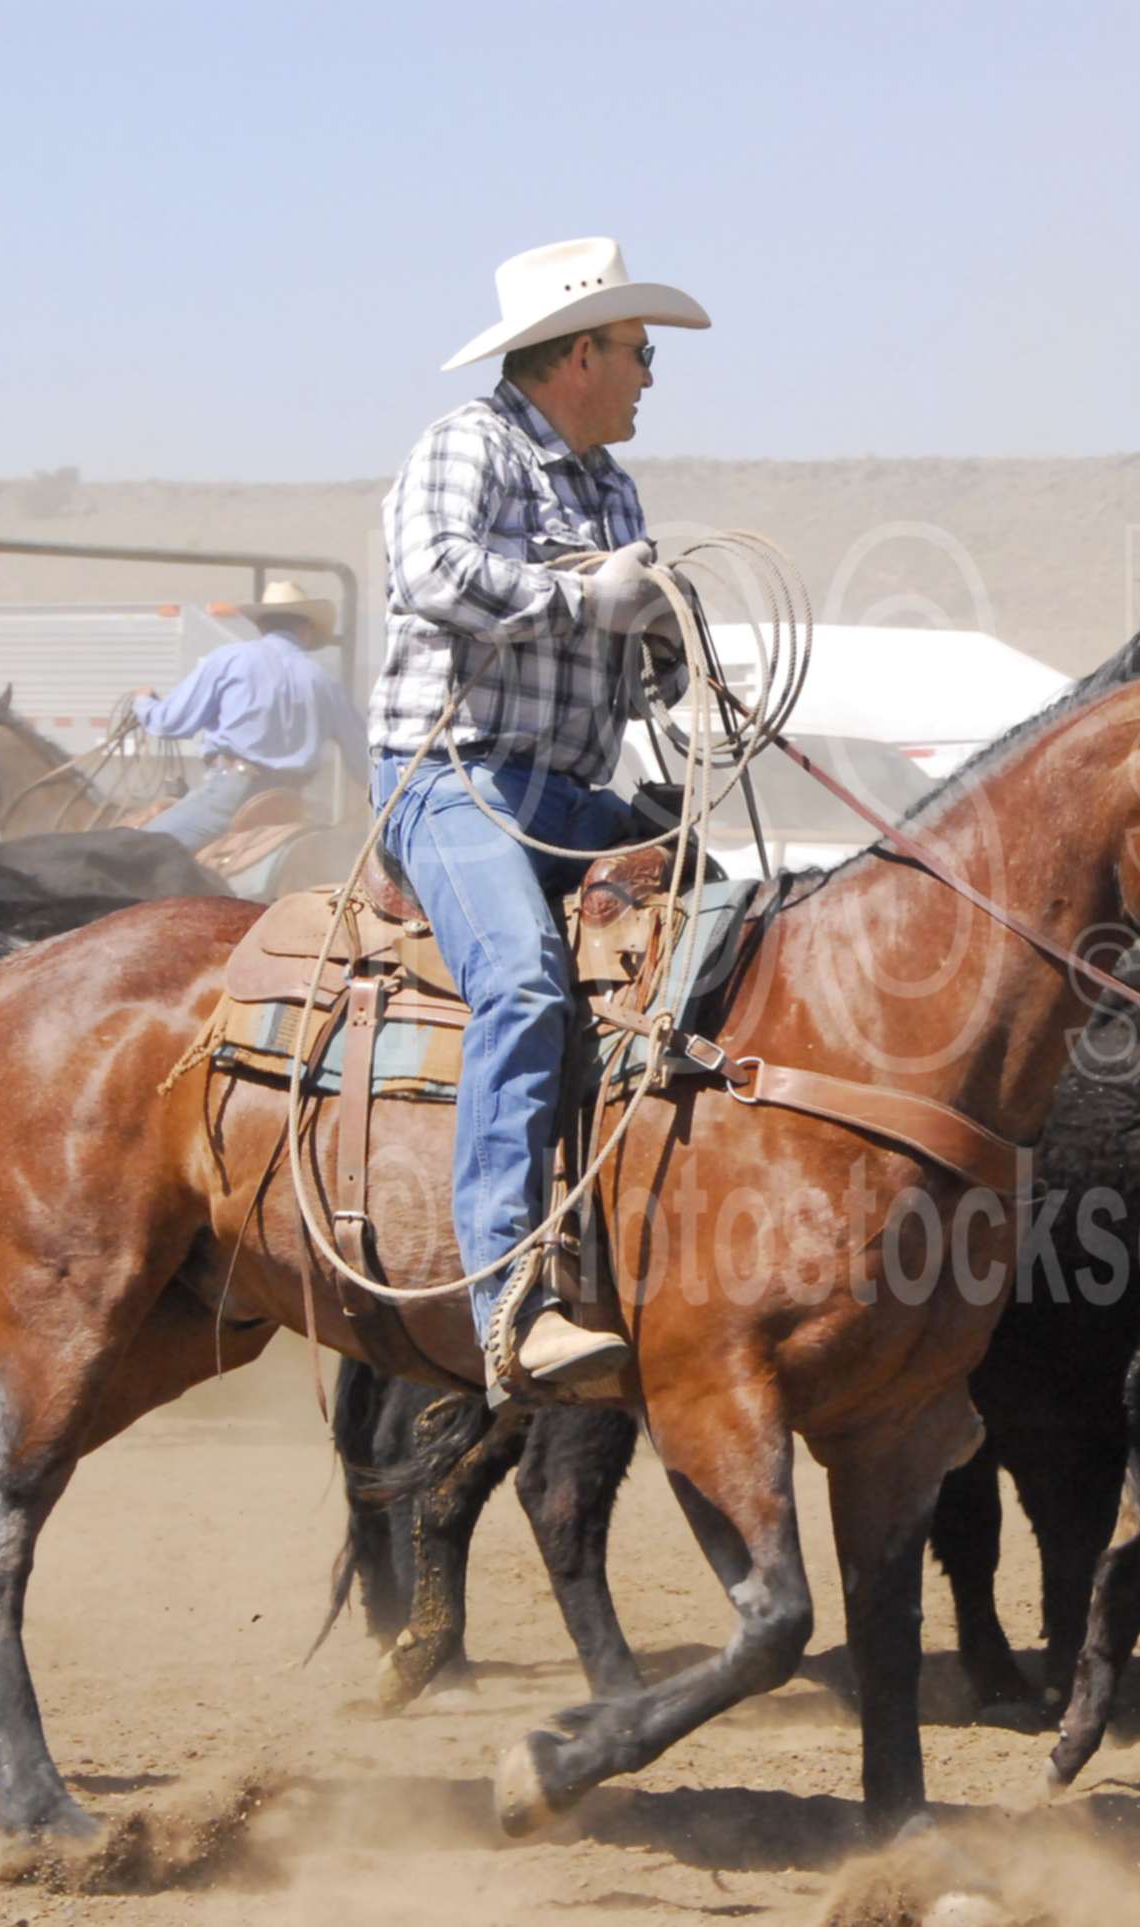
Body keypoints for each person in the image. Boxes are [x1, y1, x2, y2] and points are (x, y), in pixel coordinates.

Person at [369, 237, 706, 1399]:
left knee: (729, 918)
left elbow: (630, 656)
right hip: (452, 778)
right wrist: (583, 595)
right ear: (579, 354)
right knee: (520, 980)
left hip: (565, 792)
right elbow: (430, 571)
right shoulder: (470, 443)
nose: (650, 375)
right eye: (640, 352)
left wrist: (665, 638)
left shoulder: (612, 488)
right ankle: (507, 1297)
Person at [130, 581, 360, 850]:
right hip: (291, 802)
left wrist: (144, 702)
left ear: (261, 624)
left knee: (136, 851)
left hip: (232, 795)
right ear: (305, 629)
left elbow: (169, 723)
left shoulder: (230, 660)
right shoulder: (324, 680)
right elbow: (362, 757)